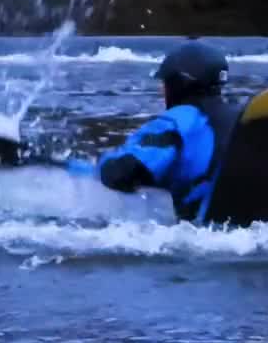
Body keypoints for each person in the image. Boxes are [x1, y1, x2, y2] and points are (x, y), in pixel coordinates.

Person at [82, 40, 241, 223]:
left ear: (178, 83)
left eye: (165, 82)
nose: (162, 90)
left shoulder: (180, 120)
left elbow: (123, 172)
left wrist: (102, 164)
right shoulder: (239, 116)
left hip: (197, 231)